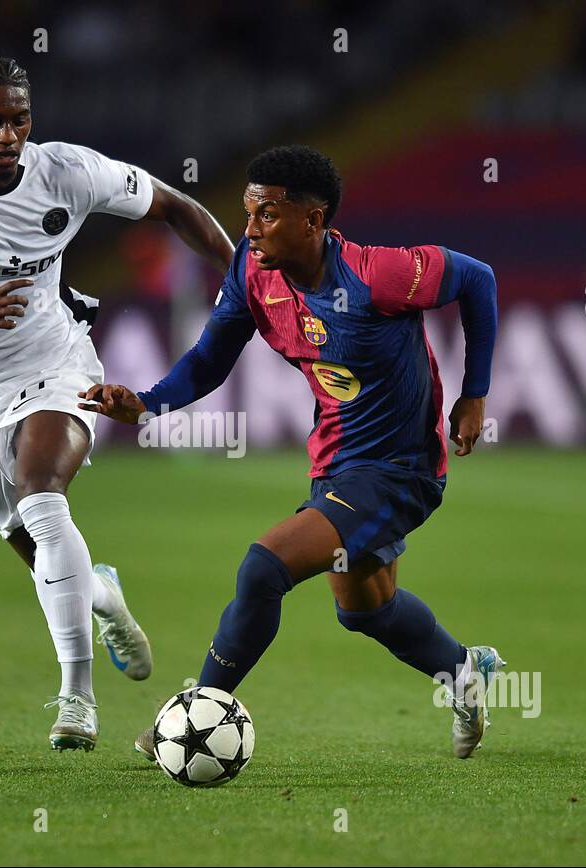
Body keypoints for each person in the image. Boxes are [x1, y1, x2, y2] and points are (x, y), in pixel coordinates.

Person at [80, 145, 505, 759]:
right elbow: (208, 360)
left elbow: (478, 278)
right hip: (335, 464)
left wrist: (475, 394)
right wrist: (145, 403)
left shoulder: (379, 274)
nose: (249, 230)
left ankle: (196, 715)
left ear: (313, 220)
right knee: (366, 609)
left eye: (267, 215)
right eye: (247, 213)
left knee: (263, 568)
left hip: (399, 470)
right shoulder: (253, 274)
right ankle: (463, 669)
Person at [0, 56, 234, 751]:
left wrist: (243, 278)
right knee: (41, 553)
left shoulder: (68, 172)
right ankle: (102, 594)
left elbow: (175, 206)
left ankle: (77, 698)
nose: (8, 135)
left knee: (41, 490)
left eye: (20, 119)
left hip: (53, 363)